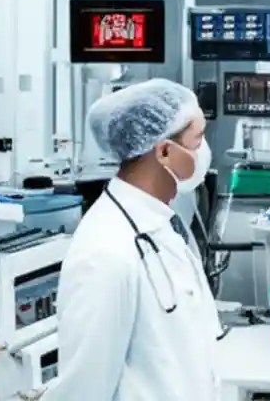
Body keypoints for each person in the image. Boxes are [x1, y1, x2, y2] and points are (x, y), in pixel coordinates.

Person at [52, 79, 222, 401]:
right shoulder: (106, 250)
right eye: (198, 139)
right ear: (165, 151)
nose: (204, 152)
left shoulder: (163, 226)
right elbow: (83, 389)